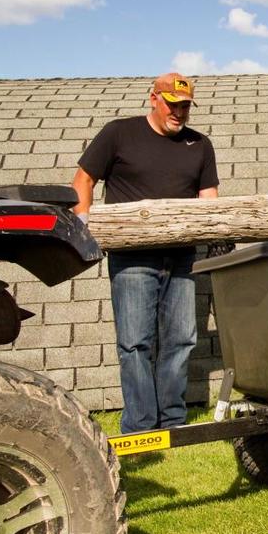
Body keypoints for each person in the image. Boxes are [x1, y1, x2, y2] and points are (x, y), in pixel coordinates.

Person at [72, 73, 219, 434]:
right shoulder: (119, 134)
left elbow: (209, 197)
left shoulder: (200, 145)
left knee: (181, 340)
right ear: (153, 99)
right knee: (135, 343)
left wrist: (216, 230)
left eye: (185, 106)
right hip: (132, 258)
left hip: (182, 257)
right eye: (173, 104)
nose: (179, 112)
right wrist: (83, 230)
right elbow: (83, 180)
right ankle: (140, 427)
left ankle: (172, 422)